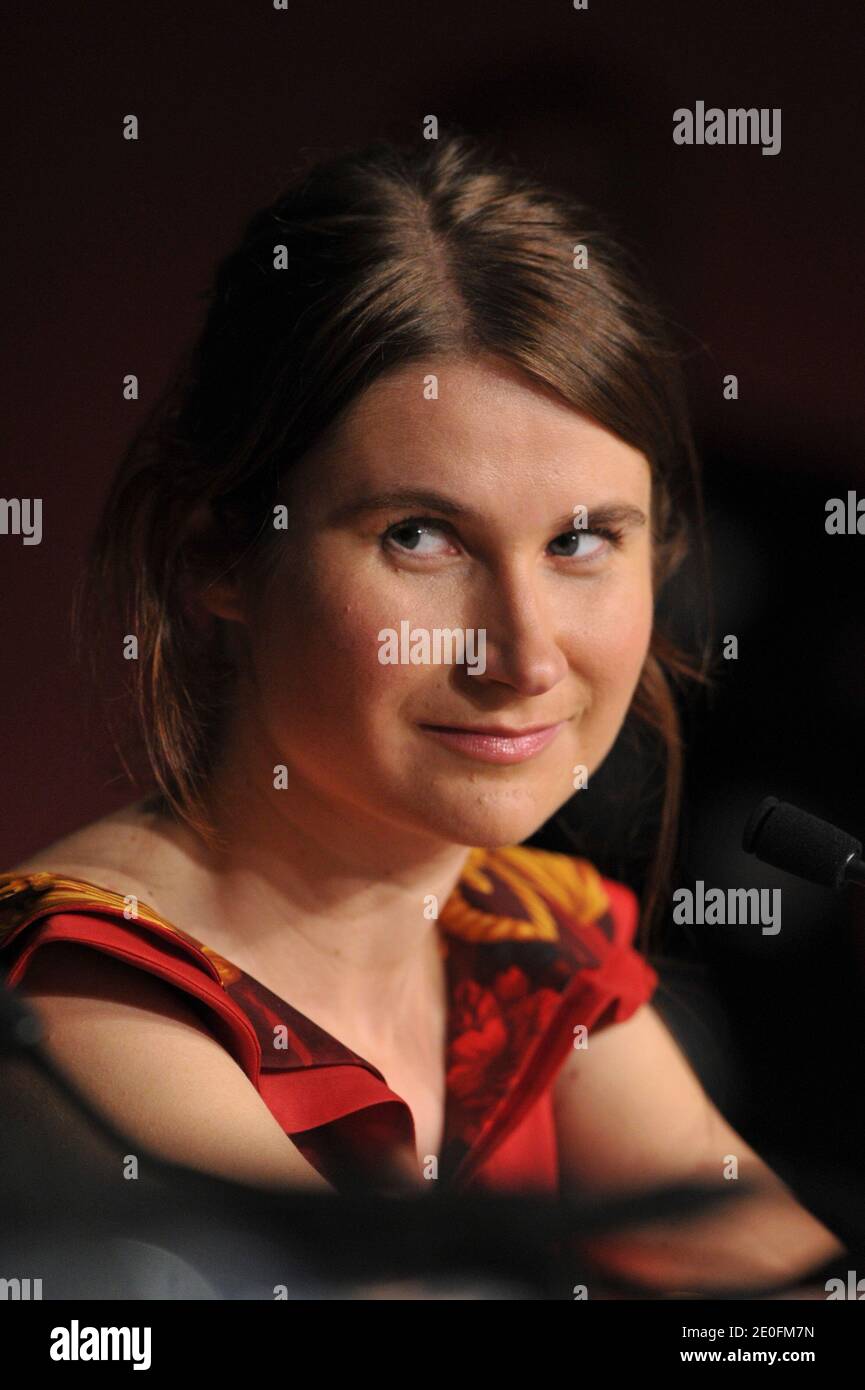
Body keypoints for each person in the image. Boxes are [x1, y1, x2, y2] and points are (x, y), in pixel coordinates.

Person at [0, 132, 845, 1293]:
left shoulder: (522, 944)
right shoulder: (88, 1006)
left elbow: (784, 1303)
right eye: (421, 536)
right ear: (222, 557)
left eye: (582, 541)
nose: (527, 654)